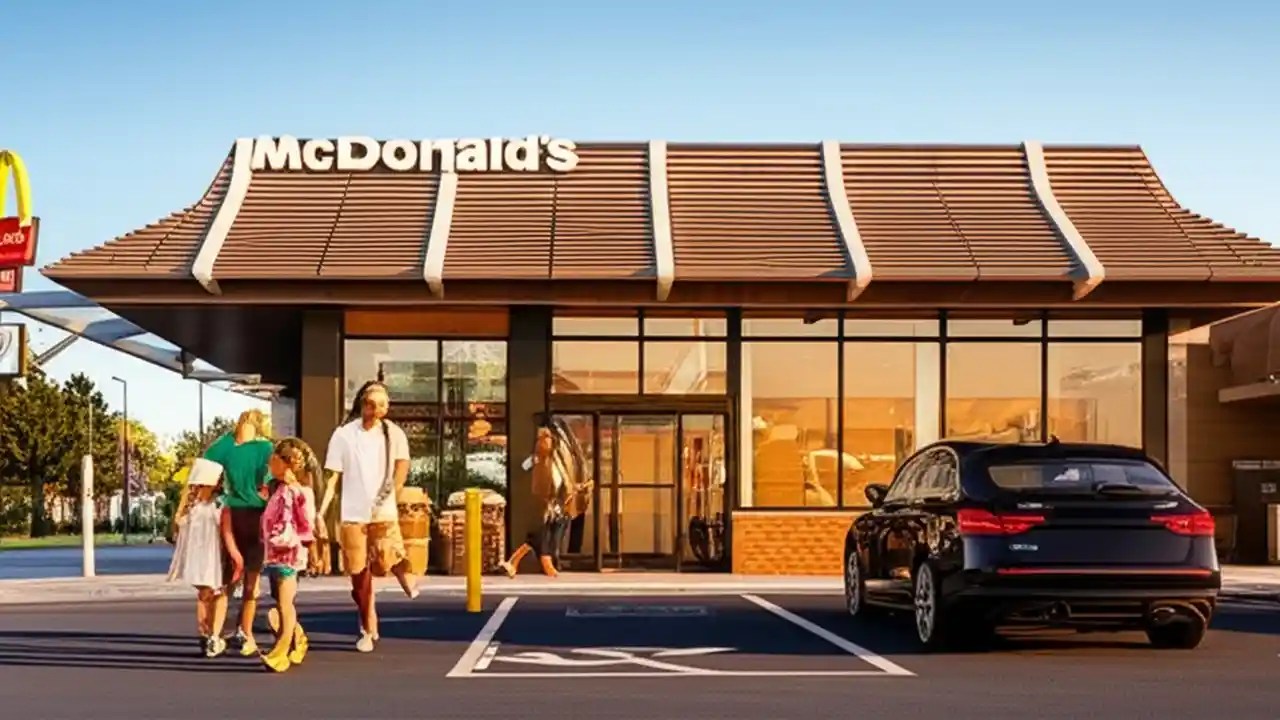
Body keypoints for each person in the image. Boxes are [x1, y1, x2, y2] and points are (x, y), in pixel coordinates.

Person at [318, 380, 419, 654]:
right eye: (372, 404)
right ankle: (367, 625)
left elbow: (402, 467)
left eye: (383, 405)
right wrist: (321, 512)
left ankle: (401, 569)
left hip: (382, 511)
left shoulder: (393, 434)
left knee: (383, 561)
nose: (377, 410)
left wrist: (392, 494)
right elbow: (332, 478)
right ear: (363, 405)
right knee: (358, 574)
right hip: (352, 513)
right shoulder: (343, 435)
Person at [204, 409, 273, 656]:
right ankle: (242, 633)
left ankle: (217, 635)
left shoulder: (228, 445)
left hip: (234, 513)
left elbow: (207, 460)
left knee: (229, 580)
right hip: (253, 514)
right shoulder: (266, 447)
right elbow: (273, 478)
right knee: (247, 581)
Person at [258, 437, 317, 673]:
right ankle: (296, 638)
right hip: (273, 551)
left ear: (287, 464)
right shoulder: (276, 488)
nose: (270, 463)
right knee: (279, 600)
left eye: (274, 459)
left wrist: (311, 548)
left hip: (290, 552)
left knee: (284, 602)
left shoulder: (299, 492)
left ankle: (281, 650)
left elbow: (305, 521)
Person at [166, 457, 232, 658]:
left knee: (211, 593)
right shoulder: (203, 506)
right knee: (212, 594)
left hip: (208, 556)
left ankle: (210, 635)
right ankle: (209, 634)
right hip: (207, 556)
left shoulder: (208, 505)